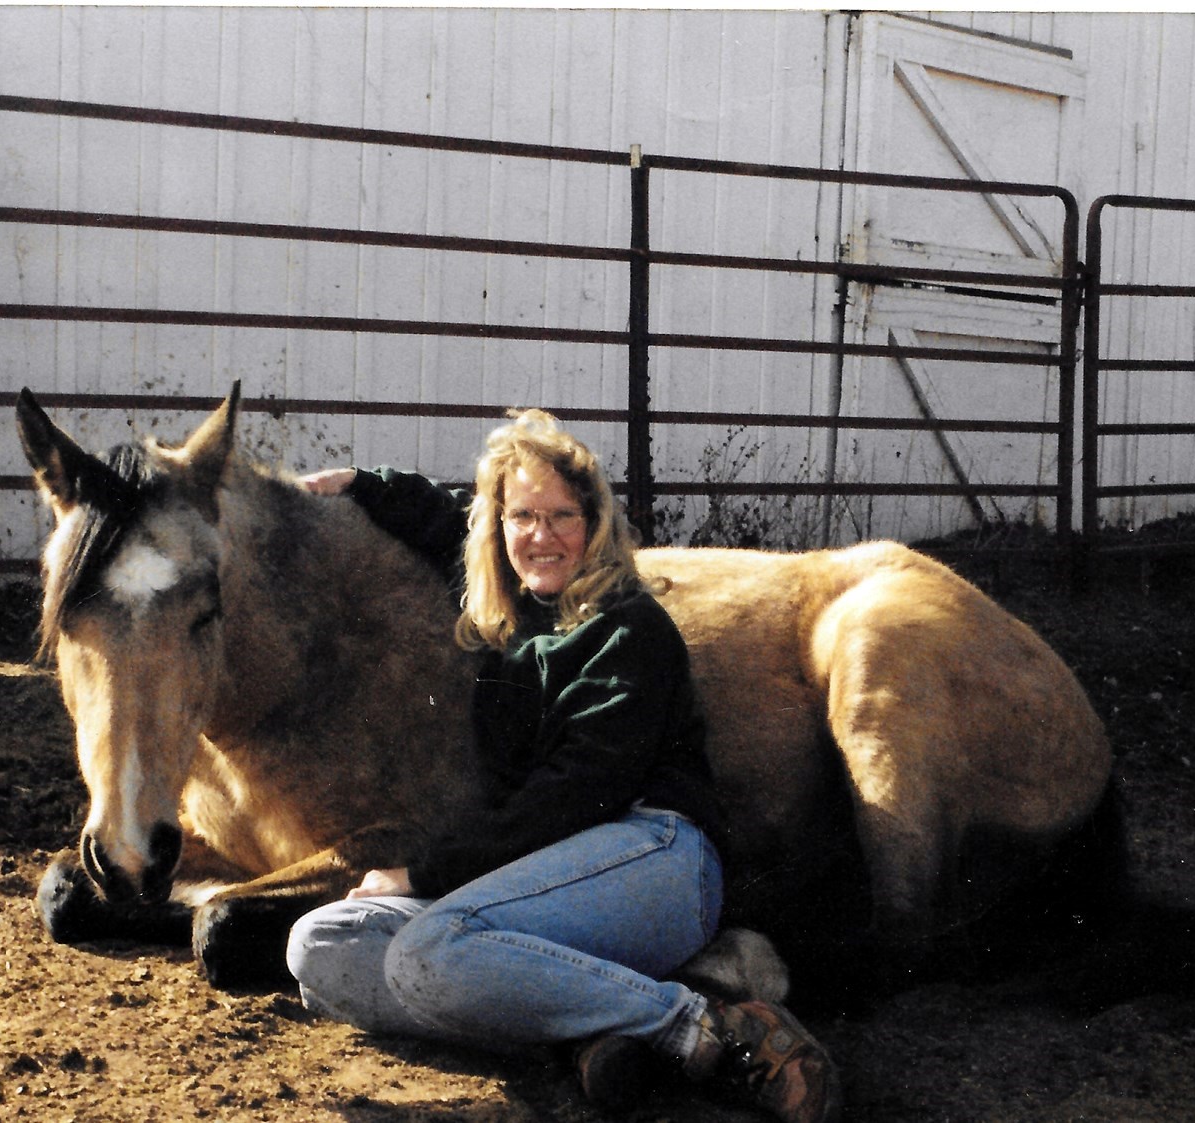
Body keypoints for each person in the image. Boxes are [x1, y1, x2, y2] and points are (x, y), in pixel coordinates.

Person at [285, 409, 842, 1123]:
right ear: (498, 526)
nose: (541, 535)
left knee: (432, 948)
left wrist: (421, 876)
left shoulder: (629, 629)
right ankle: (587, 1028)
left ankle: (701, 1025)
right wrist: (365, 484)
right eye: (522, 516)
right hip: (551, 877)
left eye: (562, 516)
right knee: (321, 947)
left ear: (595, 524)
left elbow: (571, 796)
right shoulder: (520, 612)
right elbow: (448, 517)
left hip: (657, 857)